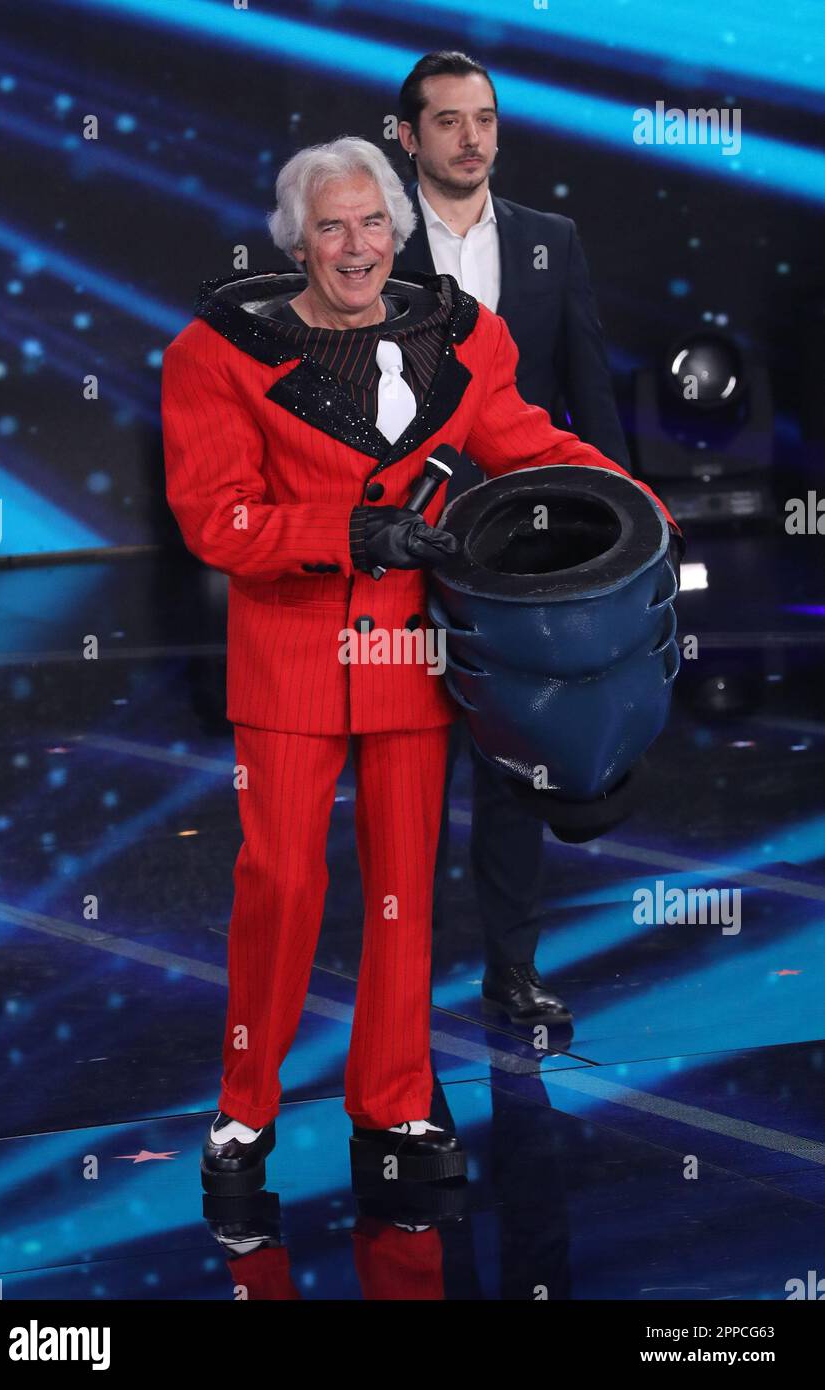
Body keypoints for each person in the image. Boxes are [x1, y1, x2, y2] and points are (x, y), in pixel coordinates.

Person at [161, 136, 681, 1192]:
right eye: (329, 227)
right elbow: (218, 522)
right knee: (282, 883)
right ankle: (242, 1110)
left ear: (394, 229)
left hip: (414, 653)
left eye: (369, 224)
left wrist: (640, 513)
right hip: (293, 660)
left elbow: (529, 444)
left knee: (404, 888)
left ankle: (394, 1103)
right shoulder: (214, 355)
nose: (353, 248)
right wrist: (351, 534)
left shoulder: (463, 338)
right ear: (295, 241)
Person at [394, 50, 646, 1027]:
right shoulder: (372, 247)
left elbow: (588, 396)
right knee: (406, 770)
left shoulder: (550, 239)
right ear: (407, 136)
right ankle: (397, 990)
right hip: (410, 538)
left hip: (525, 552)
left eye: (485, 119)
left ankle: (510, 970)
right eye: (450, 121)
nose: (471, 138)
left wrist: (620, 526)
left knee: (514, 765)